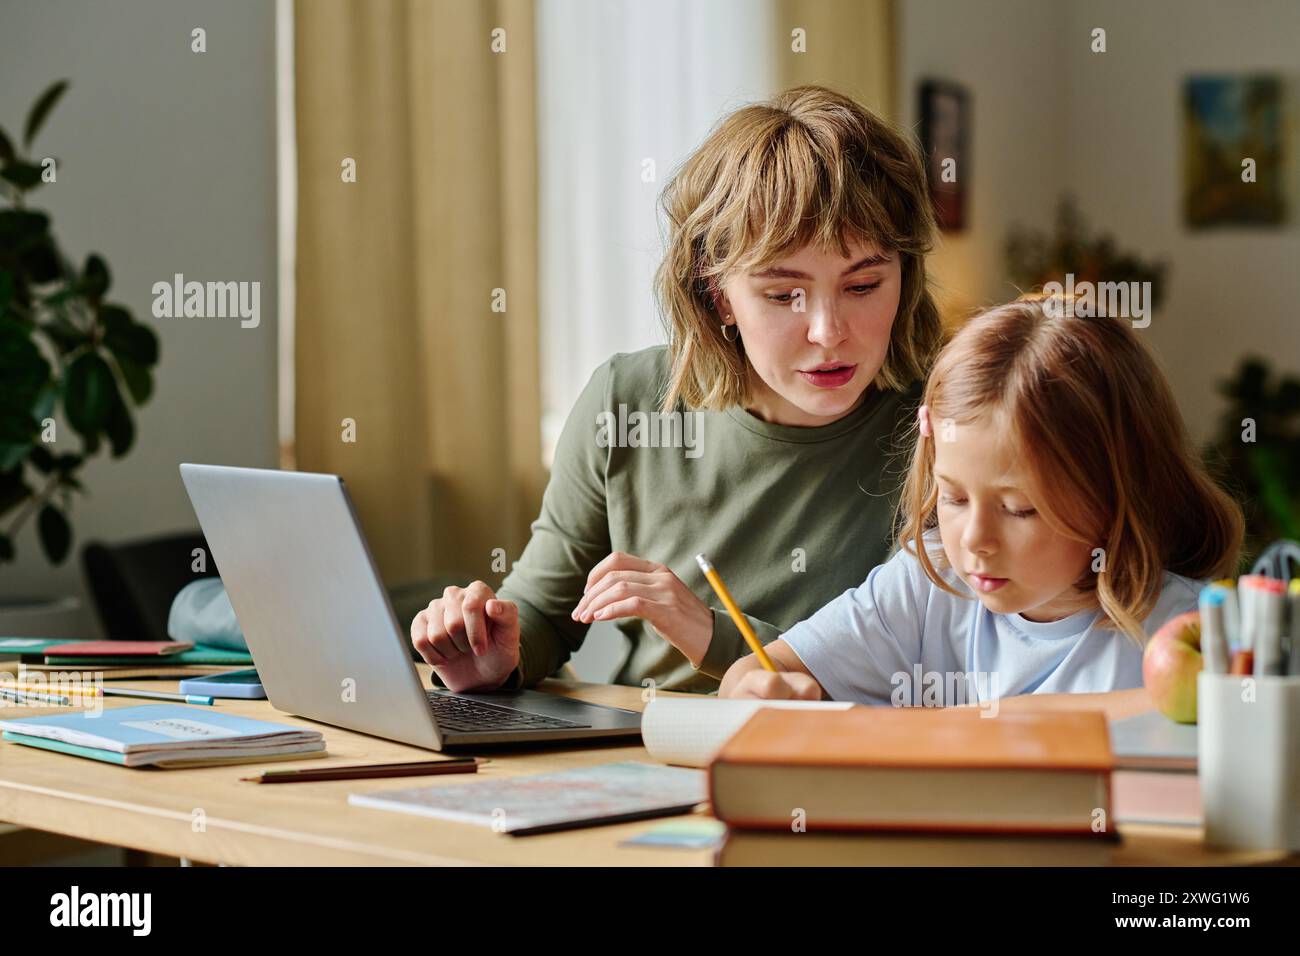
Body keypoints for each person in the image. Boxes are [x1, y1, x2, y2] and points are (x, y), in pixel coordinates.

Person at [412, 85, 944, 694]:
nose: (829, 332)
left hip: (829, 770)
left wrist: (707, 631)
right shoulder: (628, 400)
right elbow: (543, 611)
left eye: (863, 286)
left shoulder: (945, 422)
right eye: (782, 294)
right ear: (719, 294)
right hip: (641, 755)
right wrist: (493, 654)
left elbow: (907, 671)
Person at [719, 293, 1244, 703]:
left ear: (1114, 494)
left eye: (1019, 509)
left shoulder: (1184, 631)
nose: (975, 542)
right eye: (953, 498)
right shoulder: (931, 583)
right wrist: (754, 685)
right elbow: (767, 671)